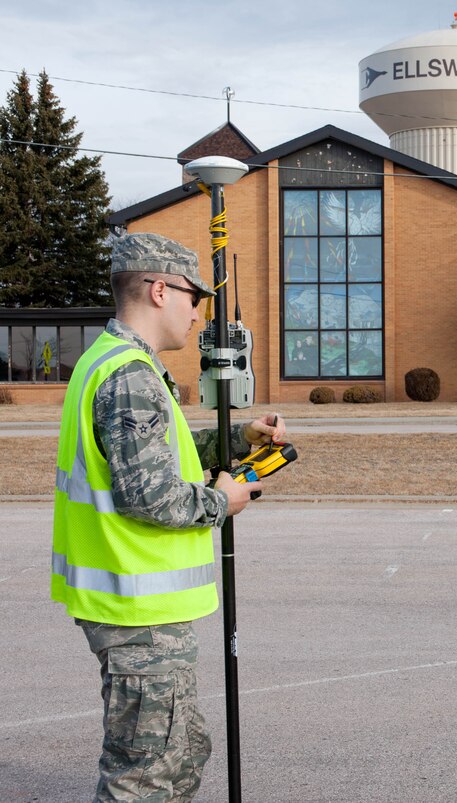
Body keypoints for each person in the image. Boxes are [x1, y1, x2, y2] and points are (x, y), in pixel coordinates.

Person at [51, 232, 286, 802]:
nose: (198, 312)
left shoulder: (116, 362)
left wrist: (235, 438)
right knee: (144, 776)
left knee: (181, 754)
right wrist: (222, 502)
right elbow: (151, 496)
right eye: (194, 297)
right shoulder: (129, 373)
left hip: (139, 609)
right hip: (136, 612)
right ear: (160, 290)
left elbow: (150, 456)